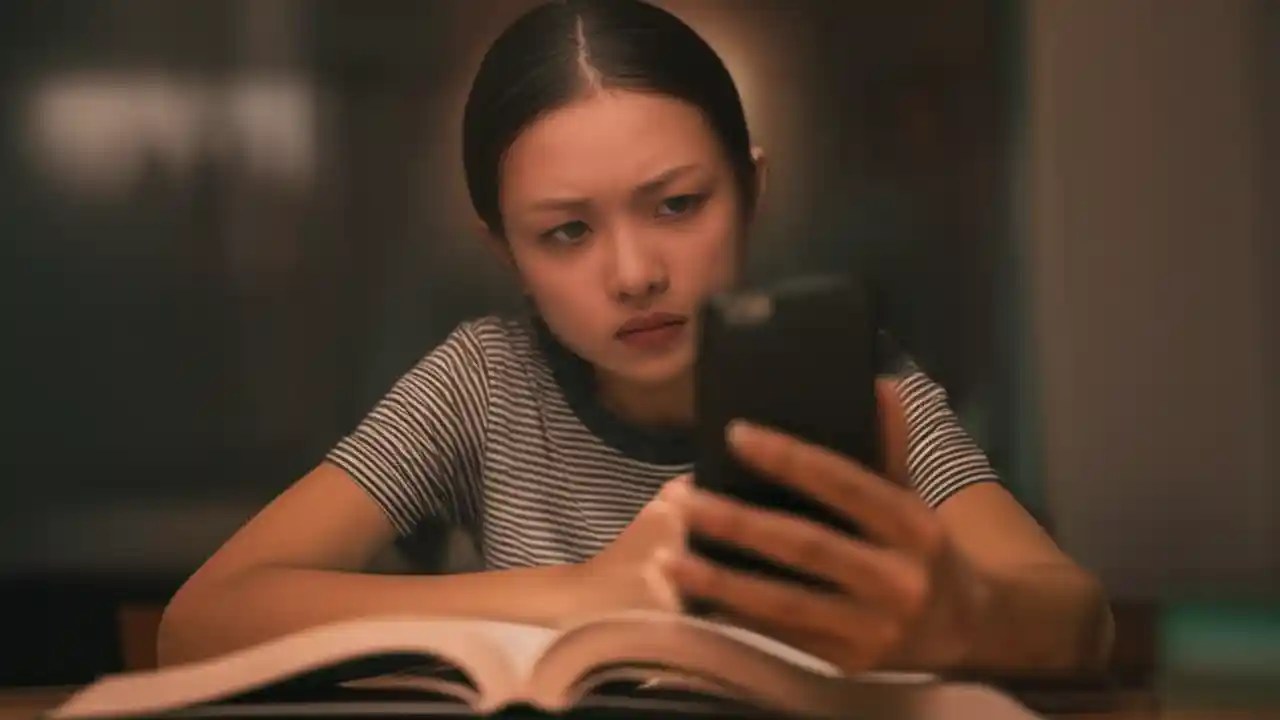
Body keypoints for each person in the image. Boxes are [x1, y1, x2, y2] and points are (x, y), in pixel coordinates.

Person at [157, 0, 1112, 674]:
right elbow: (201, 620)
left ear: (751, 191)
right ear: (508, 252)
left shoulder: (844, 375)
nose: (633, 273)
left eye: (678, 205)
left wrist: (962, 616)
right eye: (567, 232)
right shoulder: (485, 381)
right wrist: (579, 596)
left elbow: (1080, 618)